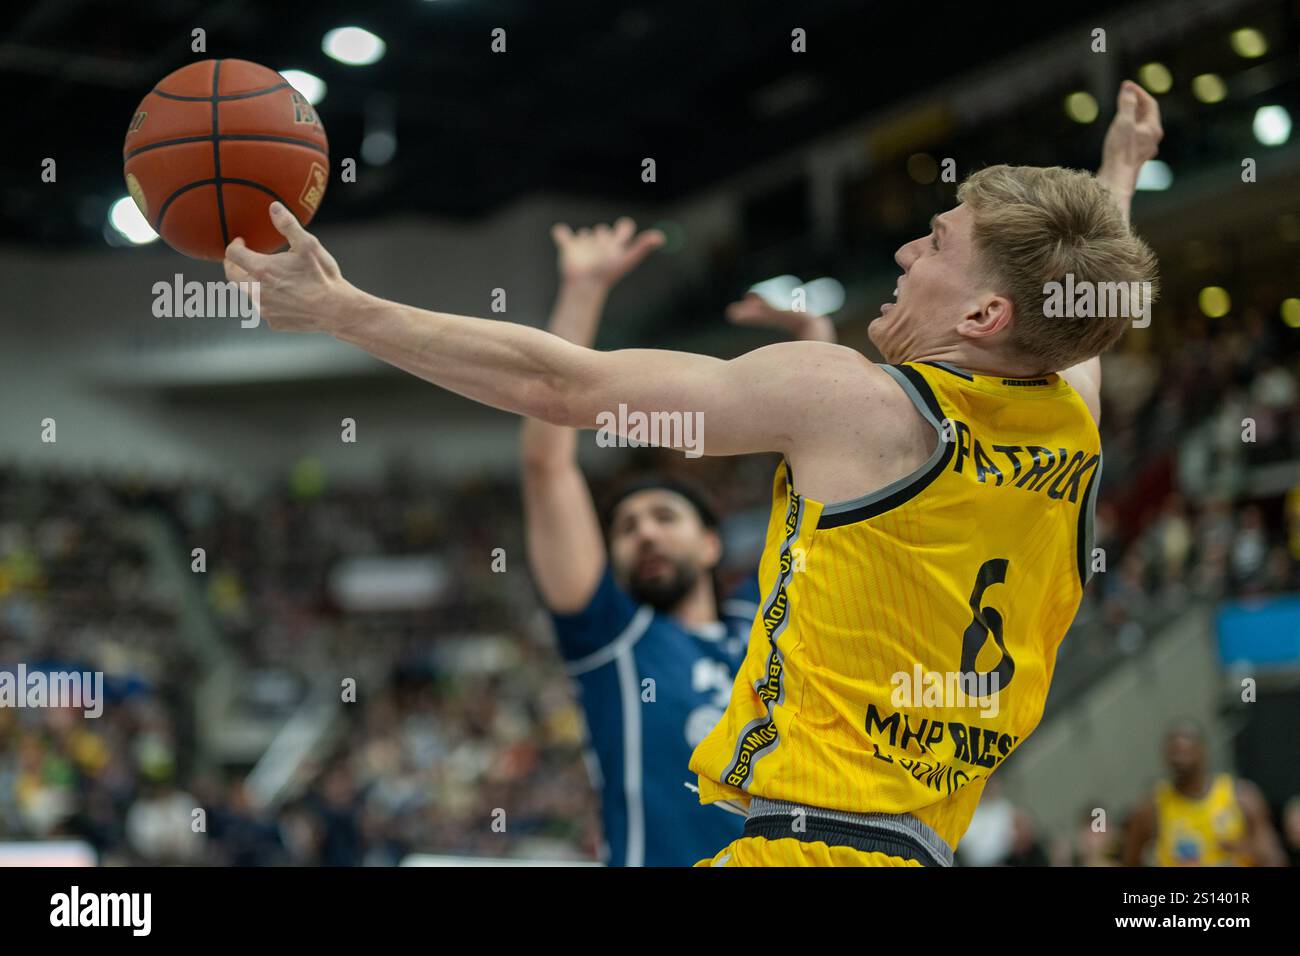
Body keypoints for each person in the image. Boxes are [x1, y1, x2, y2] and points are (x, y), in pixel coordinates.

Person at [227, 81, 1160, 867]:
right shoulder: (1072, 427)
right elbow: (1080, 314)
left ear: (988, 315)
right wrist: (1111, 182)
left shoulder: (862, 404)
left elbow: (558, 385)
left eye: (937, 244)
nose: (907, 251)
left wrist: (340, 310)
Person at [519, 219, 757, 865]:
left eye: (663, 516)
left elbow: (824, 500)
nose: (644, 530)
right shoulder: (614, 640)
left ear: (712, 545)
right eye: (624, 527)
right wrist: (583, 291)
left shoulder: (761, 621)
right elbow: (547, 468)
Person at [1121, 720, 1285, 866]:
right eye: (1174, 752)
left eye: (1186, 750)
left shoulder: (1241, 795)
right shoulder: (1150, 808)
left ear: (1202, 751)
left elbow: (1275, 859)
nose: (1179, 758)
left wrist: (1246, 848)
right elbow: (1130, 861)